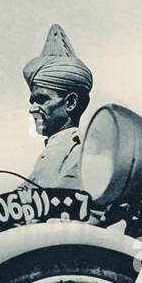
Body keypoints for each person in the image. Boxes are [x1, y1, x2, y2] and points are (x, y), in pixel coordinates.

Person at [23, 24, 94, 189]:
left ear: (71, 103)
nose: (32, 108)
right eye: (32, 101)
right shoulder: (51, 151)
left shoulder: (80, 154)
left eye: (42, 99)